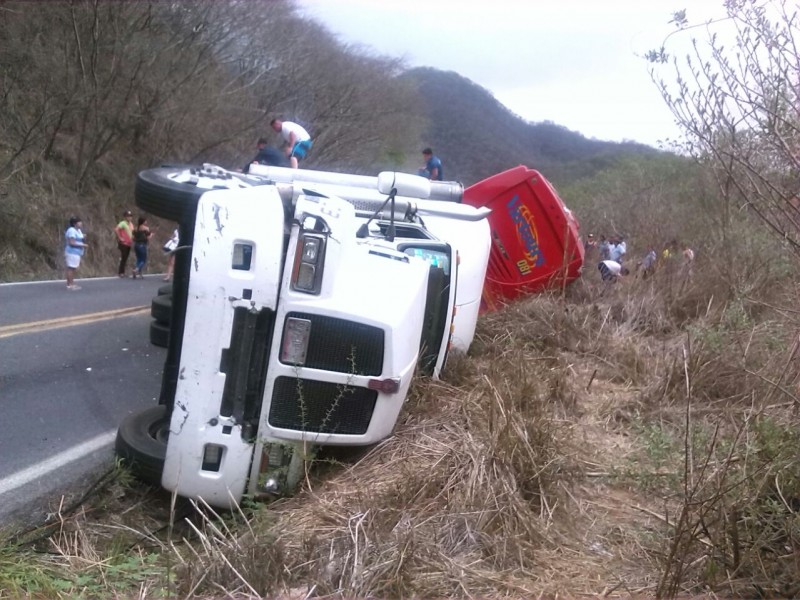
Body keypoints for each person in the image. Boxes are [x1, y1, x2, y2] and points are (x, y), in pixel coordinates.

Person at [64, 216, 88, 290]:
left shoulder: (78, 230)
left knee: (73, 268)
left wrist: (83, 237)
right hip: (72, 252)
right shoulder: (71, 230)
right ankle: (70, 284)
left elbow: (79, 238)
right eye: (79, 222)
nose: (81, 223)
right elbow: (72, 242)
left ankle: (71, 283)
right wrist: (83, 245)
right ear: (75, 223)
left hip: (77, 252)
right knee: (71, 268)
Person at [114, 210, 134, 277]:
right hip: (123, 243)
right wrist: (120, 237)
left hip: (129, 243)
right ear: (125, 217)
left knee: (125, 258)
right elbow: (116, 229)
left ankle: (123, 272)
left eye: (130, 216)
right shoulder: (123, 223)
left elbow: (132, 233)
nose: (129, 218)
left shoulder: (131, 224)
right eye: (128, 216)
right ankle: (121, 272)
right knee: (123, 257)